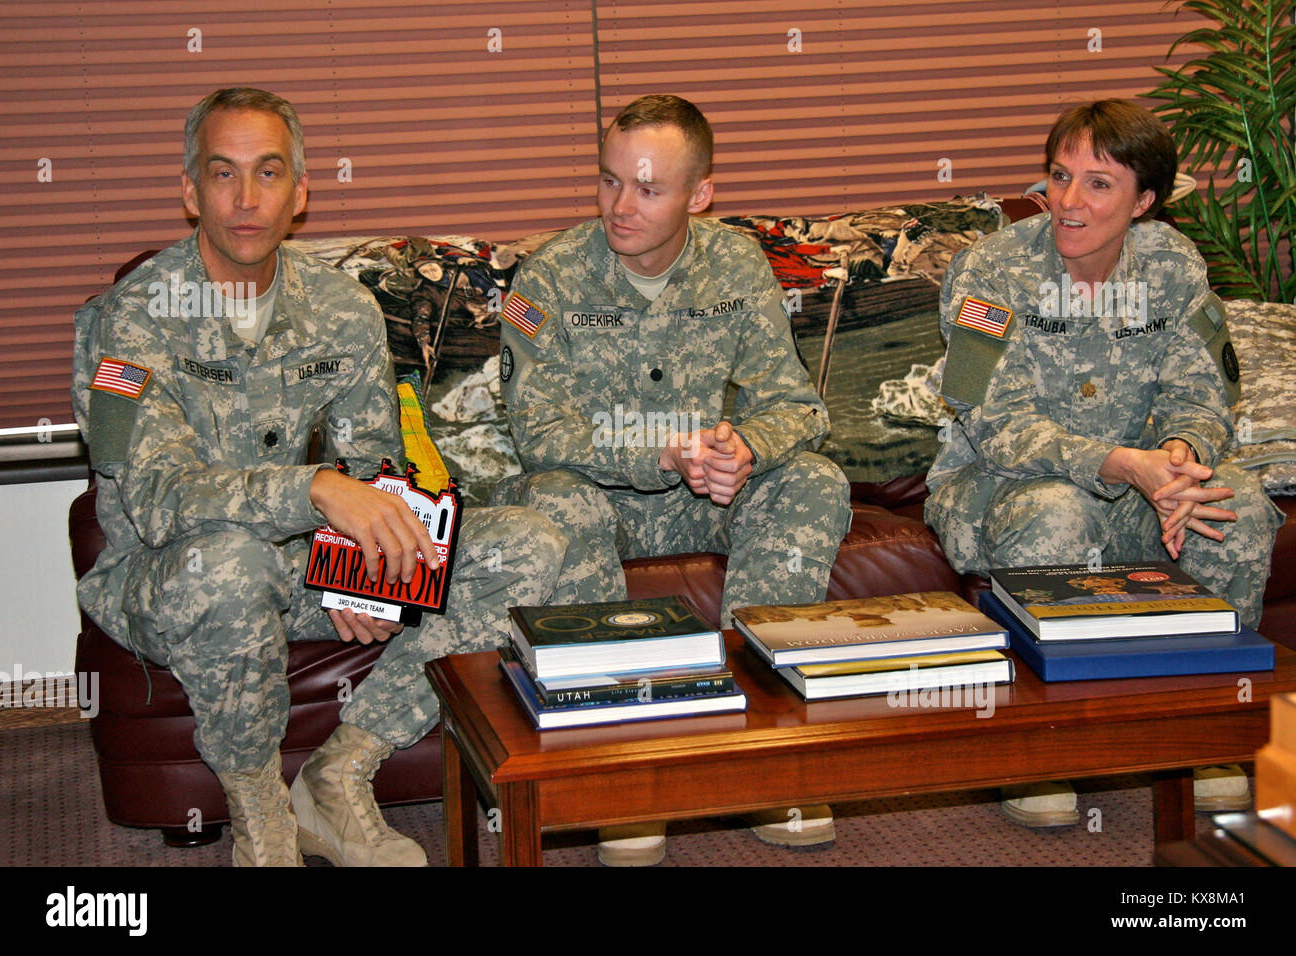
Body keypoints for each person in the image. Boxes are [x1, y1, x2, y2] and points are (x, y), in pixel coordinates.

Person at [72, 88, 575, 867]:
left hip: (303, 555)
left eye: (269, 174)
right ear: (189, 192)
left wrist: (367, 574)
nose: (247, 200)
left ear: (300, 194)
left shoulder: (342, 308)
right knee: (230, 562)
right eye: (223, 174)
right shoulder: (128, 320)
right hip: (168, 572)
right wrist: (313, 490)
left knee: (530, 545)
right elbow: (159, 502)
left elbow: (373, 463)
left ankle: (338, 777)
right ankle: (260, 808)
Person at [493, 94, 853, 864]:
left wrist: (745, 446)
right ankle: (624, 772)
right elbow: (540, 437)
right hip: (601, 496)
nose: (620, 207)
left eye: (649, 189)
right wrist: (659, 453)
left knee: (814, 479)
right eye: (608, 181)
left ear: (700, 194)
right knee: (555, 505)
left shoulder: (736, 263)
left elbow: (798, 405)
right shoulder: (544, 282)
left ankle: (764, 753)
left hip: (704, 498)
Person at [925, 99, 1284, 826]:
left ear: (1144, 201)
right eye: (1059, 176)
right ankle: (1041, 752)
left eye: (1098, 183)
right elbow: (1000, 428)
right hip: (1002, 487)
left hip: (1144, 487)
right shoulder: (989, 271)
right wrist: (1127, 465)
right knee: (1056, 512)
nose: (1067, 200)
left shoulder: (1173, 264)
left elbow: (1203, 392)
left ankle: (1197, 737)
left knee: (1234, 504)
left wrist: (1182, 460)